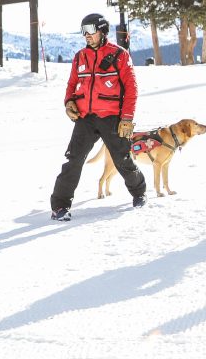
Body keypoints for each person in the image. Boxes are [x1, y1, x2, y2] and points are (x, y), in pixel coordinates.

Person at [49, 12, 147, 220]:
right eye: (83, 31)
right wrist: (68, 102)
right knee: (73, 160)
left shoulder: (119, 55)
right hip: (85, 117)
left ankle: (139, 192)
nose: (86, 35)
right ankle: (59, 206)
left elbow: (131, 88)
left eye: (91, 30)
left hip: (112, 117)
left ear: (102, 31)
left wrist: (127, 118)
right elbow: (71, 84)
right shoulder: (80, 57)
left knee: (122, 159)